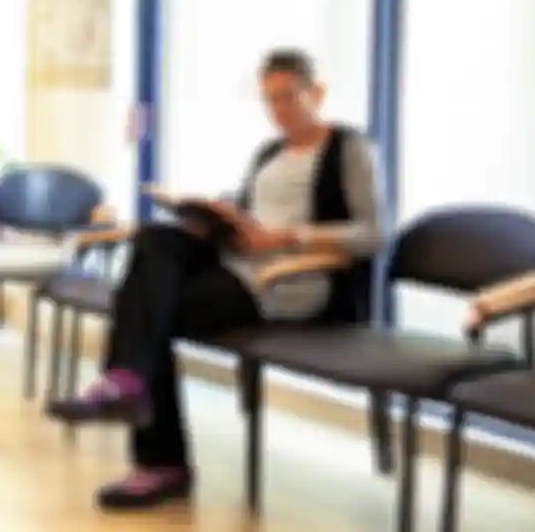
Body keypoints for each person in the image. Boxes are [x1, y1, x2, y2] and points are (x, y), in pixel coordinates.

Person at [47, 48, 388, 510]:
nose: (279, 111)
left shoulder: (350, 148)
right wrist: (212, 217)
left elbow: (374, 233)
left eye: (289, 98)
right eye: (270, 100)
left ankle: (156, 453)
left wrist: (284, 237)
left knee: (150, 314)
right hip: (239, 263)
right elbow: (251, 210)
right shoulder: (269, 151)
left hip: (290, 281)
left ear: (317, 92)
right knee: (155, 241)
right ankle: (129, 387)